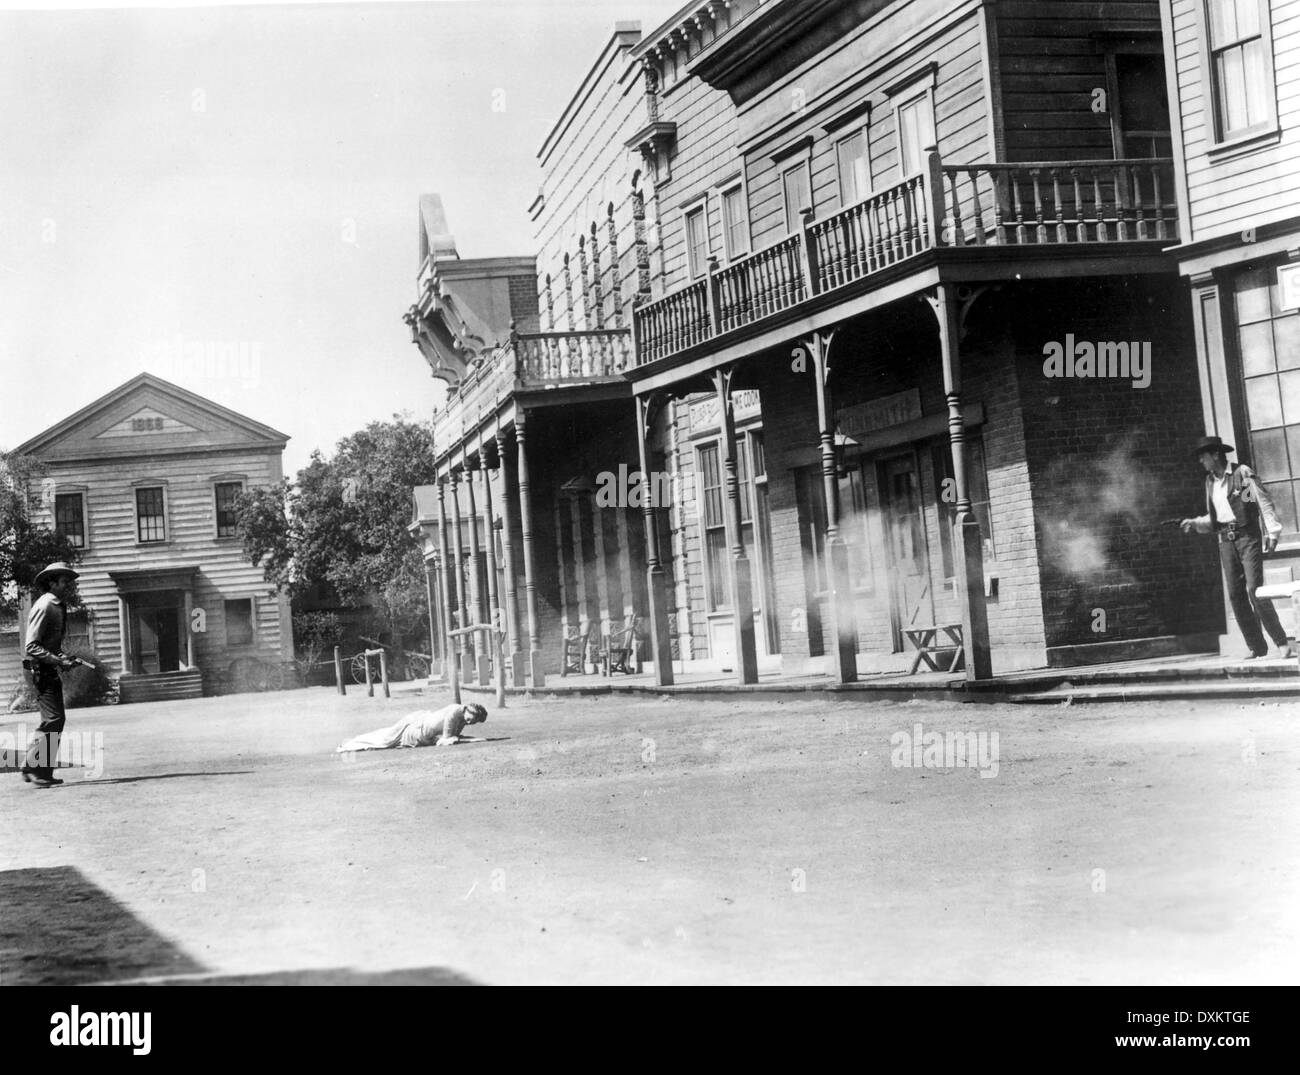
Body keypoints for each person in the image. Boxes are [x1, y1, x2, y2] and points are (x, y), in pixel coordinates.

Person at [1180, 436, 1292, 660]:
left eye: (1204, 456)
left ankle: (1282, 642)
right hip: (1225, 540)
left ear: (1216, 455)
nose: (1201, 461)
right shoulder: (1210, 482)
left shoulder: (1241, 474)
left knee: (1254, 589)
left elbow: (1260, 501)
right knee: (1235, 595)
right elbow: (1216, 518)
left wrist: (1272, 531)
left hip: (1247, 537)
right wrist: (1195, 523)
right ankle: (1257, 647)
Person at [21, 562, 81, 787]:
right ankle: (32, 767)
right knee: (53, 719)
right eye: (64, 582)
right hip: (38, 670)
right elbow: (32, 646)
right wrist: (57, 660)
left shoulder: (57, 605)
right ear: (52, 582)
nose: (68, 586)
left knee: (56, 719)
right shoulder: (45, 605)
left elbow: (50, 645)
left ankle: (43, 772)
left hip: (46, 668)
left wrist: (64, 658)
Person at [336, 702, 487, 753]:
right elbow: (447, 738)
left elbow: (452, 737)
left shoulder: (461, 719)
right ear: (466, 710)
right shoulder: (455, 712)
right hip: (414, 727)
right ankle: (349, 744)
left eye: (472, 722)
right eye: (470, 719)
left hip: (421, 732)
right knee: (384, 740)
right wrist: (476, 740)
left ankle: (352, 742)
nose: (469, 723)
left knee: (385, 738)